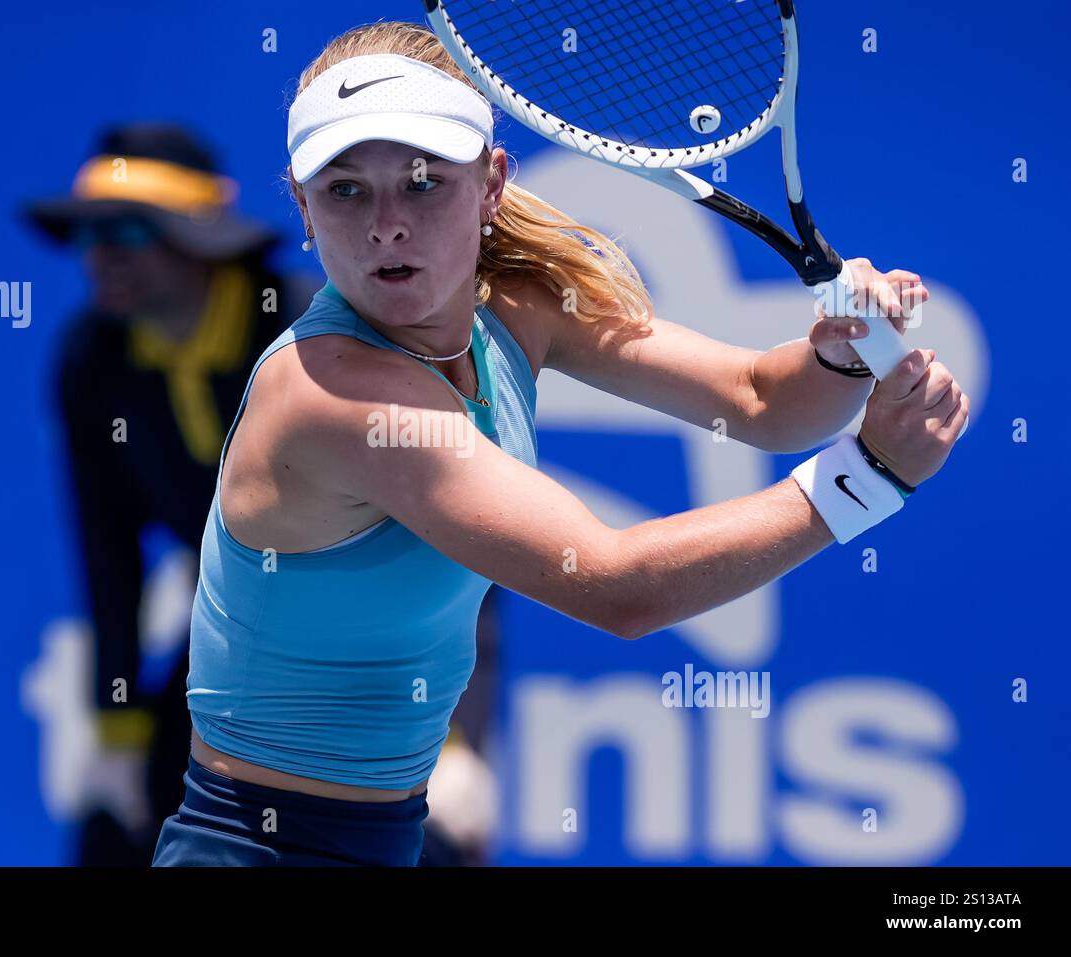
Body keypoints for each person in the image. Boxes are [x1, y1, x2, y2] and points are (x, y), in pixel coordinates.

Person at [151, 22, 968, 867]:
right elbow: (616, 588)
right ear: (302, 208)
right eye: (346, 190)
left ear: (492, 184)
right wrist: (867, 479)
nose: (386, 224)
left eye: (425, 182)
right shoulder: (336, 395)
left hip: (385, 841)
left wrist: (836, 352)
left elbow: (759, 400)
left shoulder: (516, 306)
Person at [22, 123, 317, 865]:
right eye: (88, 233)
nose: (101, 256)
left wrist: (452, 738)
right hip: (230, 629)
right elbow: (108, 555)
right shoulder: (93, 360)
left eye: (127, 228)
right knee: (114, 835)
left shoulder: (310, 329)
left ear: (199, 238)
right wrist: (116, 735)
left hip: (366, 639)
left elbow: (435, 535)